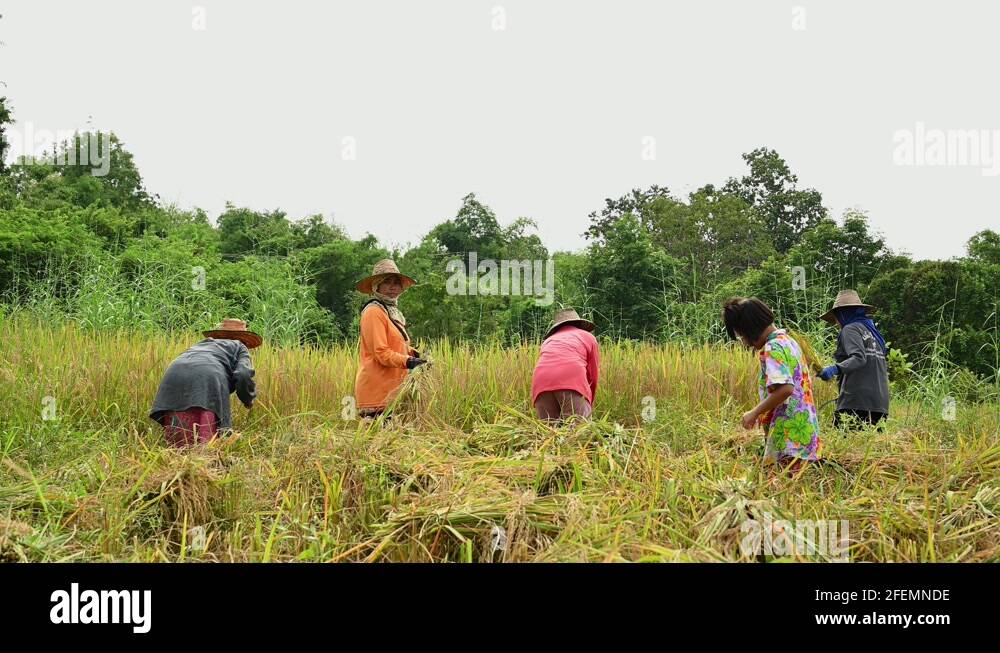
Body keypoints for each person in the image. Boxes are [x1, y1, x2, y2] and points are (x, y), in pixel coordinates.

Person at [722, 297, 822, 471]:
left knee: (786, 490)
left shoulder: (772, 348)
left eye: (742, 336)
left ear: (749, 329)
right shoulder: (789, 342)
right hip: (803, 433)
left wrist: (754, 413)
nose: (745, 342)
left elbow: (785, 389)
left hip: (788, 436)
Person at [149, 318, 259, 447]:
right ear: (244, 340)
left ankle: (178, 457)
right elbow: (243, 374)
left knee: (176, 445)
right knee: (204, 446)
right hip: (208, 377)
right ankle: (201, 458)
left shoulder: (202, 344)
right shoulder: (240, 346)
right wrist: (248, 399)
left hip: (174, 373)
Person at [354, 259, 425, 419]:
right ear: (376, 286)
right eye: (386, 282)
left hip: (393, 391)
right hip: (377, 393)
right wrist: (408, 362)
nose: (393, 287)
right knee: (378, 442)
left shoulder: (392, 313)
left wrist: (416, 356)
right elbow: (381, 352)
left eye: (396, 283)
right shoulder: (373, 312)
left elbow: (398, 347)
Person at [817, 290, 890, 428]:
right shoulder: (874, 333)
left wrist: (835, 368)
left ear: (843, 314)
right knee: (868, 448)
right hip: (880, 405)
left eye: (837, 318)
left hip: (856, 403)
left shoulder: (850, 329)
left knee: (841, 446)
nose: (837, 323)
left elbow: (859, 358)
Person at [531, 308, 600, 423]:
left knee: (548, 433)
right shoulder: (587, 337)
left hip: (540, 383)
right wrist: (587, 402)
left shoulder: (548, 340)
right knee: (579, 433)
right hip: (570, 380)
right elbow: (593, 376)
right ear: (579, 324)